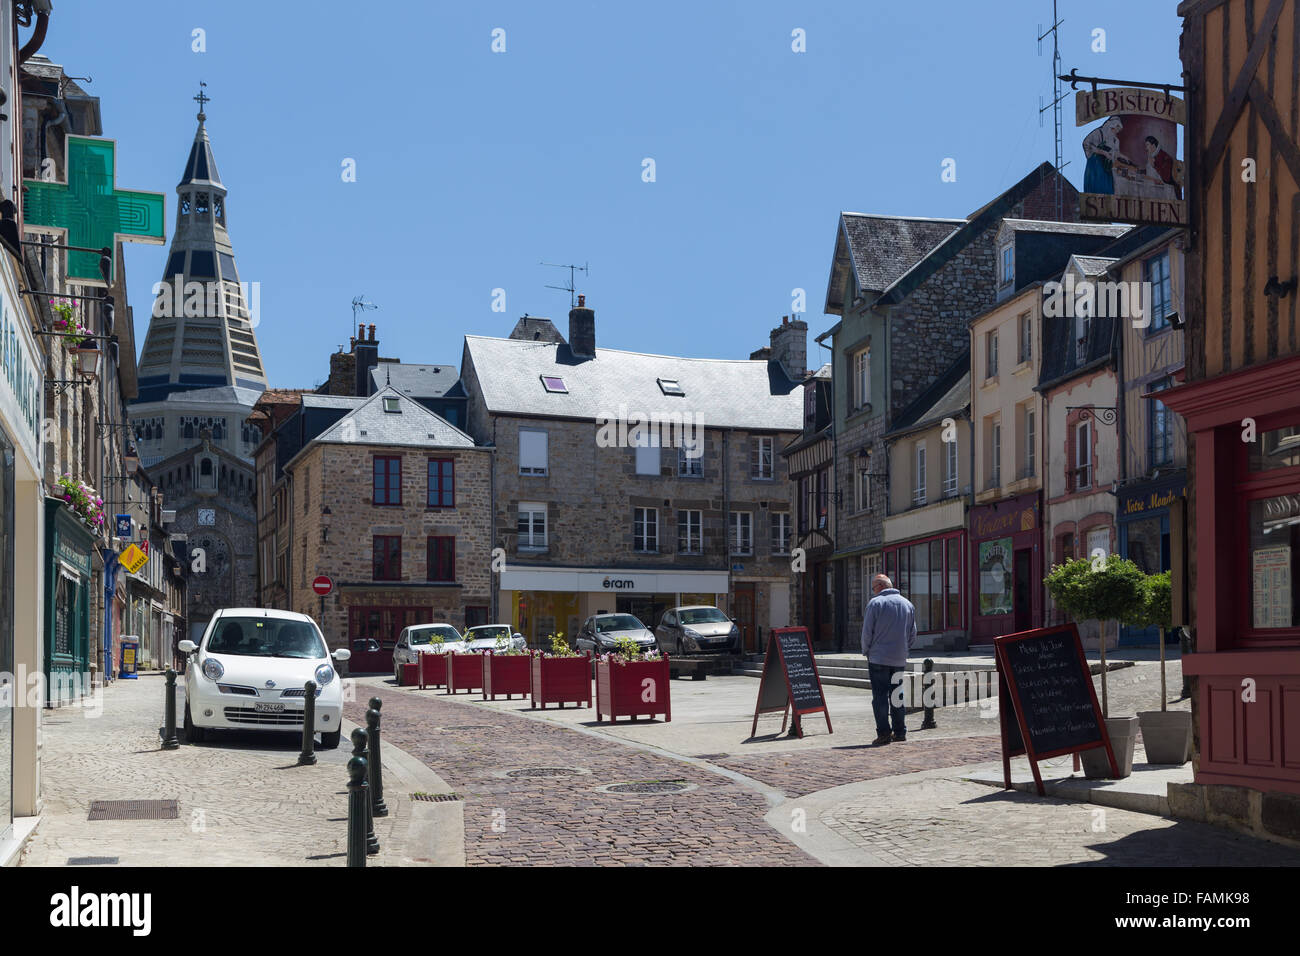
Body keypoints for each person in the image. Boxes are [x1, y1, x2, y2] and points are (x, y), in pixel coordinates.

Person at [861, 573, 916, 745]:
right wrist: (904, 649)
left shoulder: (875, 603)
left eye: (873, 588)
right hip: (899, 658)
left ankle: (884, 733)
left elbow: (867, 632)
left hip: (878, 657)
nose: (873, 591)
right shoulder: (907, 604)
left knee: (880, 697)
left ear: (879, 586)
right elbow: (912, 634)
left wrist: (866, 651)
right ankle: (900, 732)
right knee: (897, 696)